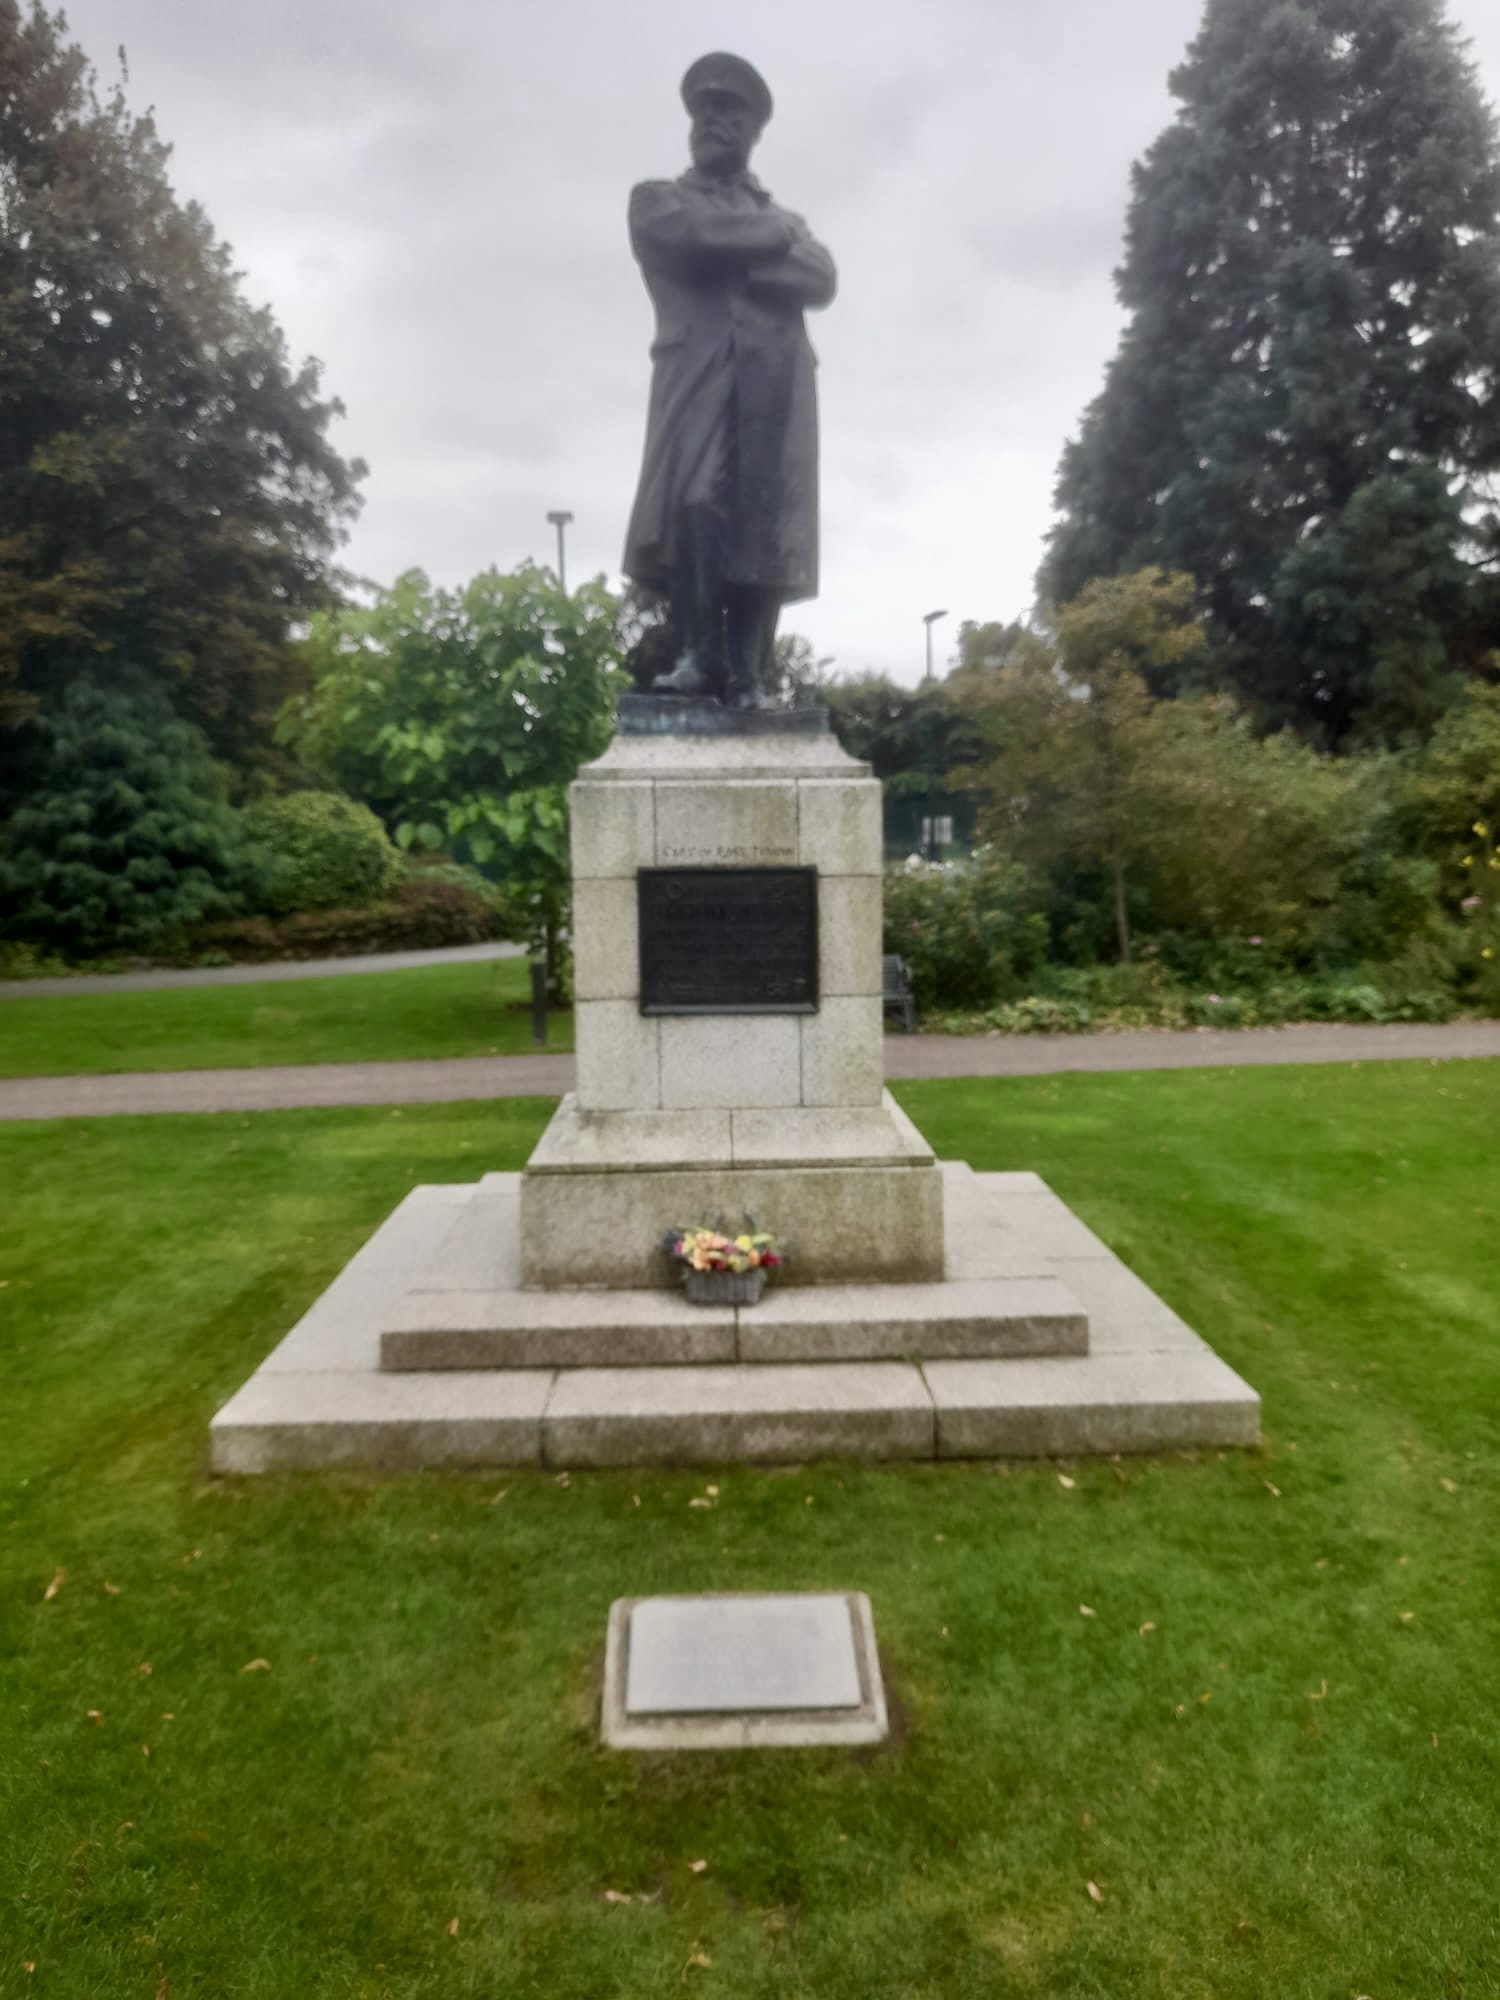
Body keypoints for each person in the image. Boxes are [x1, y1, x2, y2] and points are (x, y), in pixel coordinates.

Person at [622, 53, 836, 709]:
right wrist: (769, 241)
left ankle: (747, 675)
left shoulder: (786, 219)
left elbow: (820, 278)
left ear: (752, 131)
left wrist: (737, 255)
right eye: (704, 111)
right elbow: (689, 238)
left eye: (730, 112)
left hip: (776, 385)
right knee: (694, 504)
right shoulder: (658, 200)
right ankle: (697, 654)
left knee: (764, 523)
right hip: (698, 376)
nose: (713, 121)